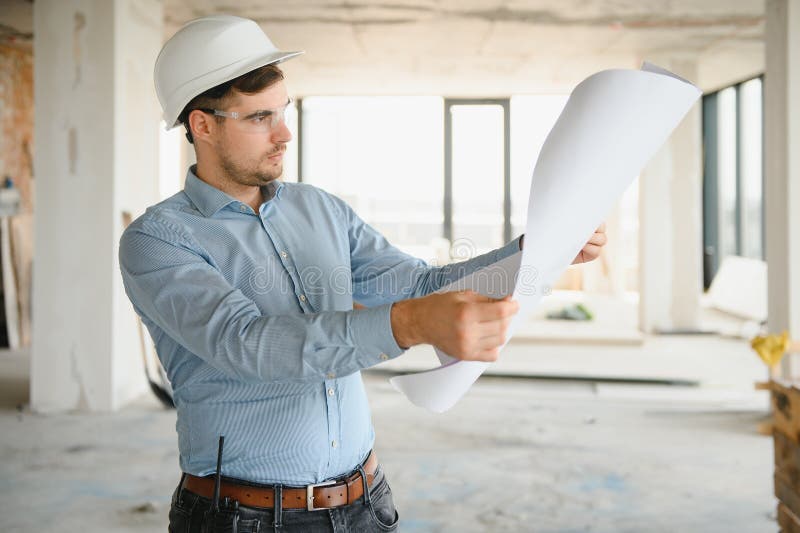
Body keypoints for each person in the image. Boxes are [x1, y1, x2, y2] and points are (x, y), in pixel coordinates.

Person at [119, 15, 607, 533]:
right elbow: (247, 343)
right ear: (203, 125)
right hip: (244, 518)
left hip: (366, 502)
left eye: (282, 111)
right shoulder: (159, 240)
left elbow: (419, 286)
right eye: (259, 118)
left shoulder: (320, 210)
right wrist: (410, 326)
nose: (284, 133)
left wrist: (536, 253)